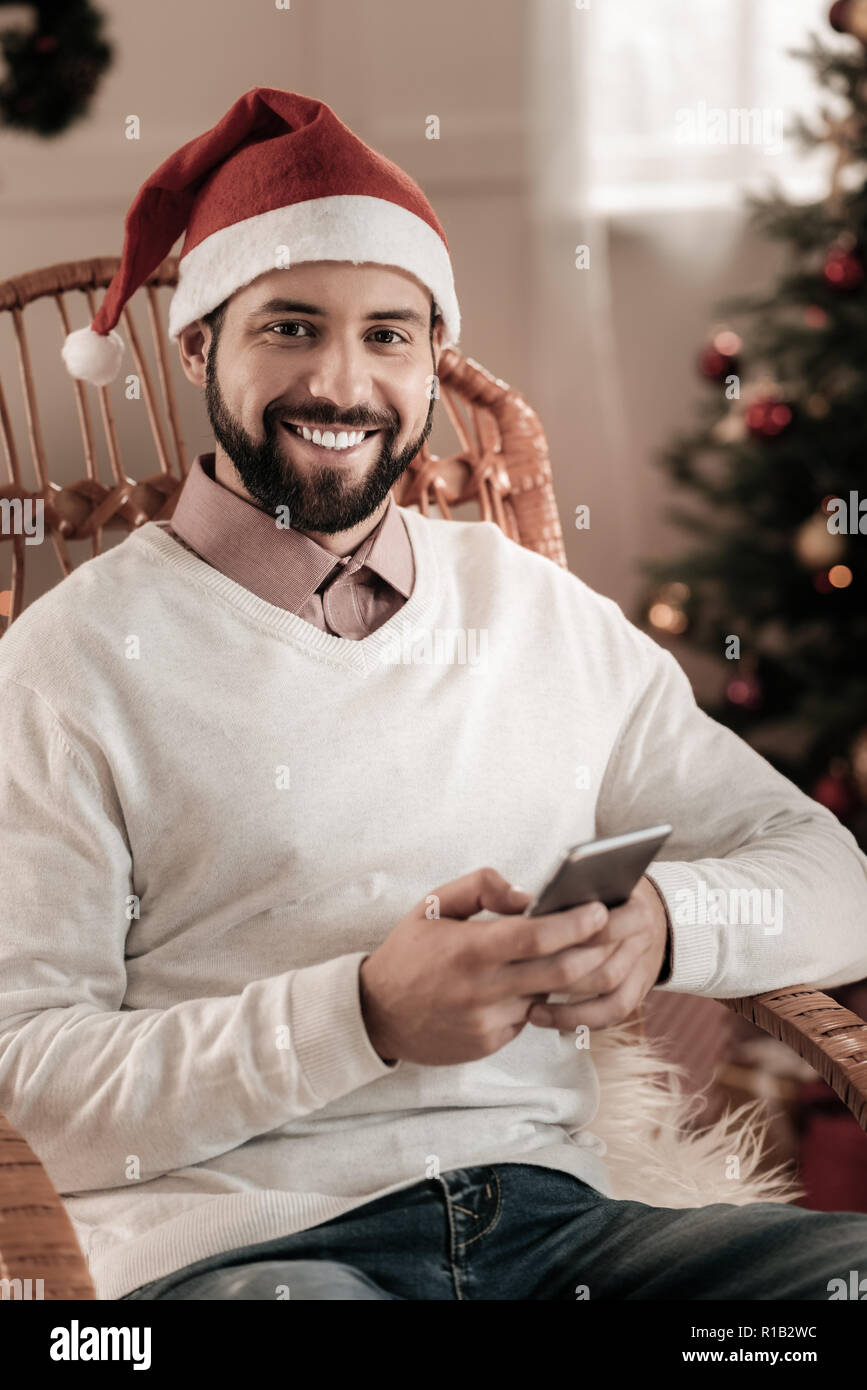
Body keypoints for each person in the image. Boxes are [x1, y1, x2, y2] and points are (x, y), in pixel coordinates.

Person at [1, 88, 866, 1302]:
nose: (342, 384)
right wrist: (362, 1015)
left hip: (568, 1239)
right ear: (198, 345)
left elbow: (834, 875)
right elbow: (27, 1088)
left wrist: (667, 923)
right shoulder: (68, 665)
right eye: (291, 327)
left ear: (432, 360)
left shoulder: (537, 616)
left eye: (389, 336)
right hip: (256, 1256)